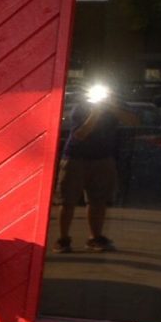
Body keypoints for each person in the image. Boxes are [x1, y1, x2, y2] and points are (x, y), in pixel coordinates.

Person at [56, 97, 120, 252]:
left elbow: (134, 121)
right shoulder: (80, 107)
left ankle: (95, 238)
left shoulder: (114, 107)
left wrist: (113, 108)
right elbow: (80, 134)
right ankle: (63, 239)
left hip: (102, 158)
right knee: (67, 201)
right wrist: (96, 113)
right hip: (76, 158)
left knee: (98, 201)